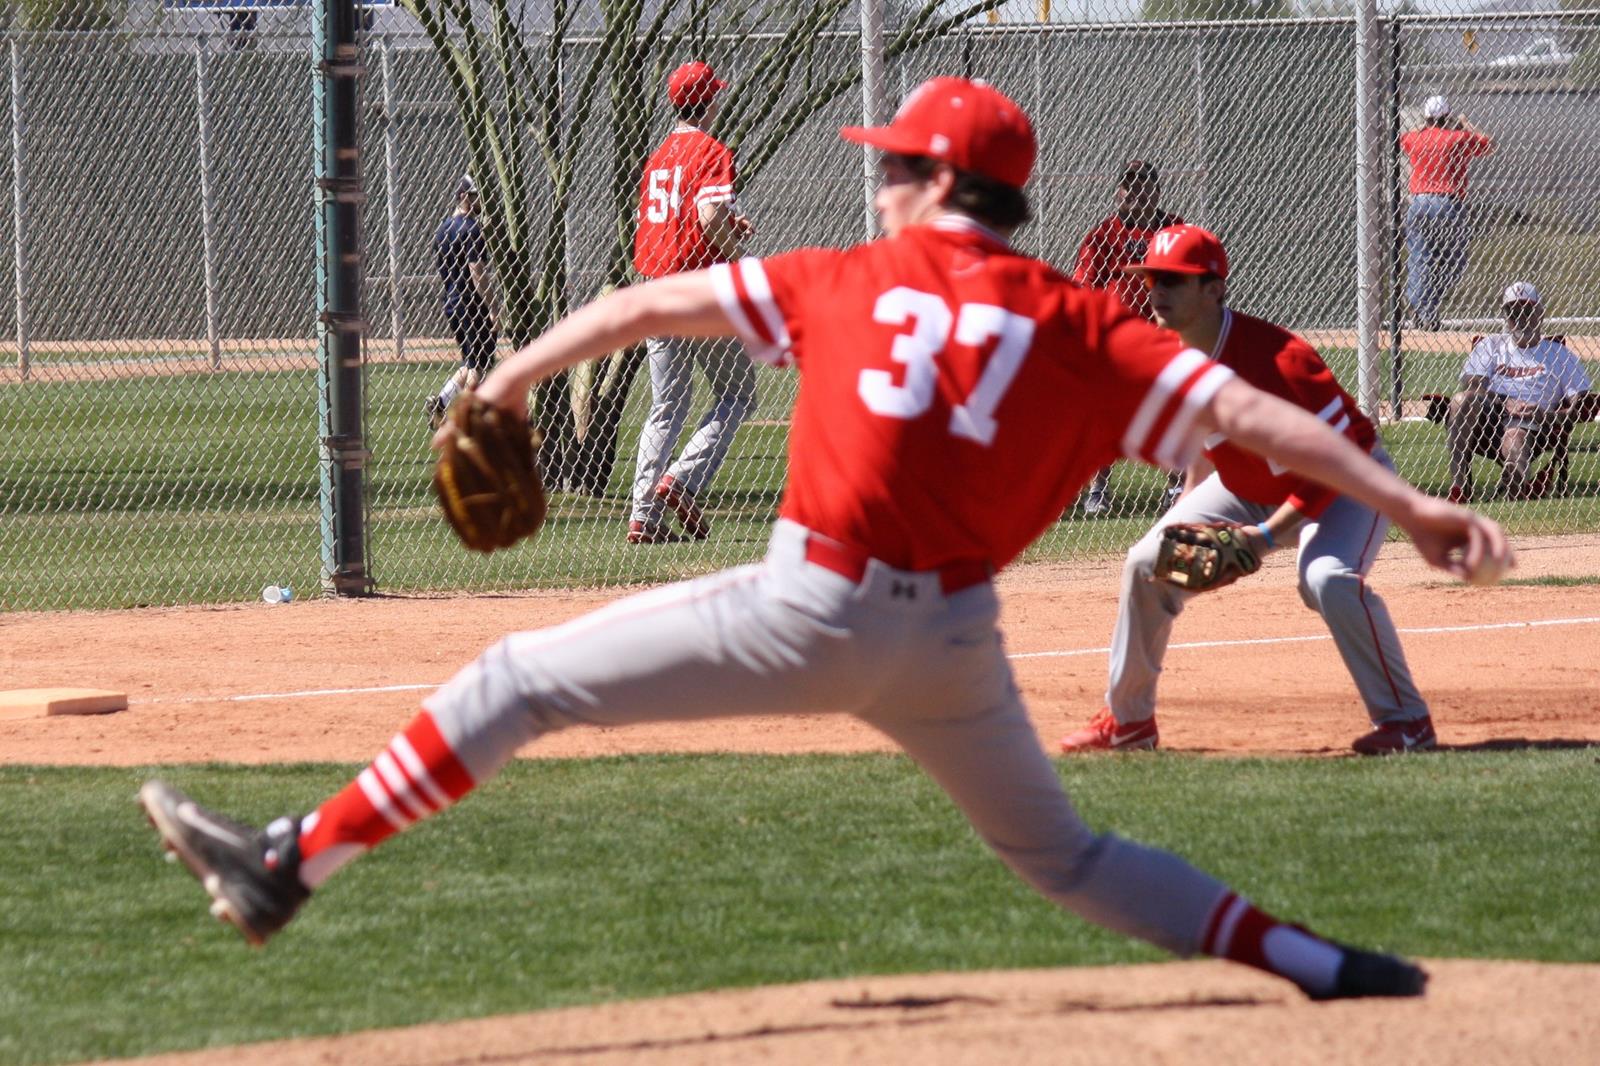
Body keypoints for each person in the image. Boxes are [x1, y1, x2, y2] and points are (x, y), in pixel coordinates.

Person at [140, 78, 1511, 1001]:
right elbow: (1246, 411)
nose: (883, 188)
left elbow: (631, 309)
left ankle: (287, 864)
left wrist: (505, 382)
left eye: (894, 169)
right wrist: (1413, 506)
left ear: (929, 181)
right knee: (1073, 862)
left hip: (810, 606)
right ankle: (1326, 969)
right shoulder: (1084, 320)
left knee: (514, 678)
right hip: (956, 645)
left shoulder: (849, 277)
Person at [1059, 224, 1440, 757]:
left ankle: (1407, 721)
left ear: (1214, 289)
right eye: (1150, 279)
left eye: (1173, 280)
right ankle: (1129, 723)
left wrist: (1263, 538)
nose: (1157, 291)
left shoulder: (1282, 359)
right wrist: (1183, 517)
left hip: (1350, 485)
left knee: (1326, 580)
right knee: (1148, 561)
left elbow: (1340, 462)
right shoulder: (1164, 357)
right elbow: (1199, 443)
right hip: (1246, 489)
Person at [627, 61, 758, 543]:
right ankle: (681, 480)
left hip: (656, 287)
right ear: (708, 102)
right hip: (698, 292)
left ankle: (643, 515)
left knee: (666, 407)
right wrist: (735, 247)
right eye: (716, 95)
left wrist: (724, 225)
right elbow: (706, 216)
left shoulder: (659, 155)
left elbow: (680, 217)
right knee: (739, 395)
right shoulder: (712, 150)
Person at [1071, 160, 1184, 515]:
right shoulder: (1104, 234)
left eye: (1143, 185)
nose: (1135, 192)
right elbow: (1084, 286)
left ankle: (1179, 486)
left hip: (1166, 339)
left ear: (1156, 191)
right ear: (1118, 190)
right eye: (1128, 186)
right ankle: (1098, 491)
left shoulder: (1174, 231)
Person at [1447, 282, 1596, 503]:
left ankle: (1516, 494)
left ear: (1540, 313)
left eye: (1527, 310)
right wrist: (1505, 402)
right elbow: (1473, 387)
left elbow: (1581, 407)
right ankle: (1459, 489)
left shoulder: (1559, 354)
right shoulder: (1491, 345)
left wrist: (1544, 416)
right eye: (1512, 311)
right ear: (1505, 316)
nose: (1520, 317)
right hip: (1490, 419)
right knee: (1461, 400)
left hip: (1535, 425)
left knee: (1515, 436)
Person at [1399, 95, 1494, 332]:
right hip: (1448, 204)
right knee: (1454, 262)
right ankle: (1427, 306)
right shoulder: (1457, 138)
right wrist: (1464, 123)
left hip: (1418, 203)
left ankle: (1421, 307)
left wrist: (1422, 128)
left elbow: (1403, 140)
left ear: (1427, 117)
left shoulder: (1414, 139)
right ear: (1447, 117)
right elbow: (1489, 145)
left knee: (1420, 258)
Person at [424, 174, 498, 430]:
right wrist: (493, 306)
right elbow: (476, 270)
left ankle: (441, 401)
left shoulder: (443, 228)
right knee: (480, 363)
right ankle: (469, 424)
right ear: (464, 196)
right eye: (476, 195)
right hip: (471, 303)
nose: (480, 201)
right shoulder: (471, 229)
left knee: (469, 360)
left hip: (452, 302)